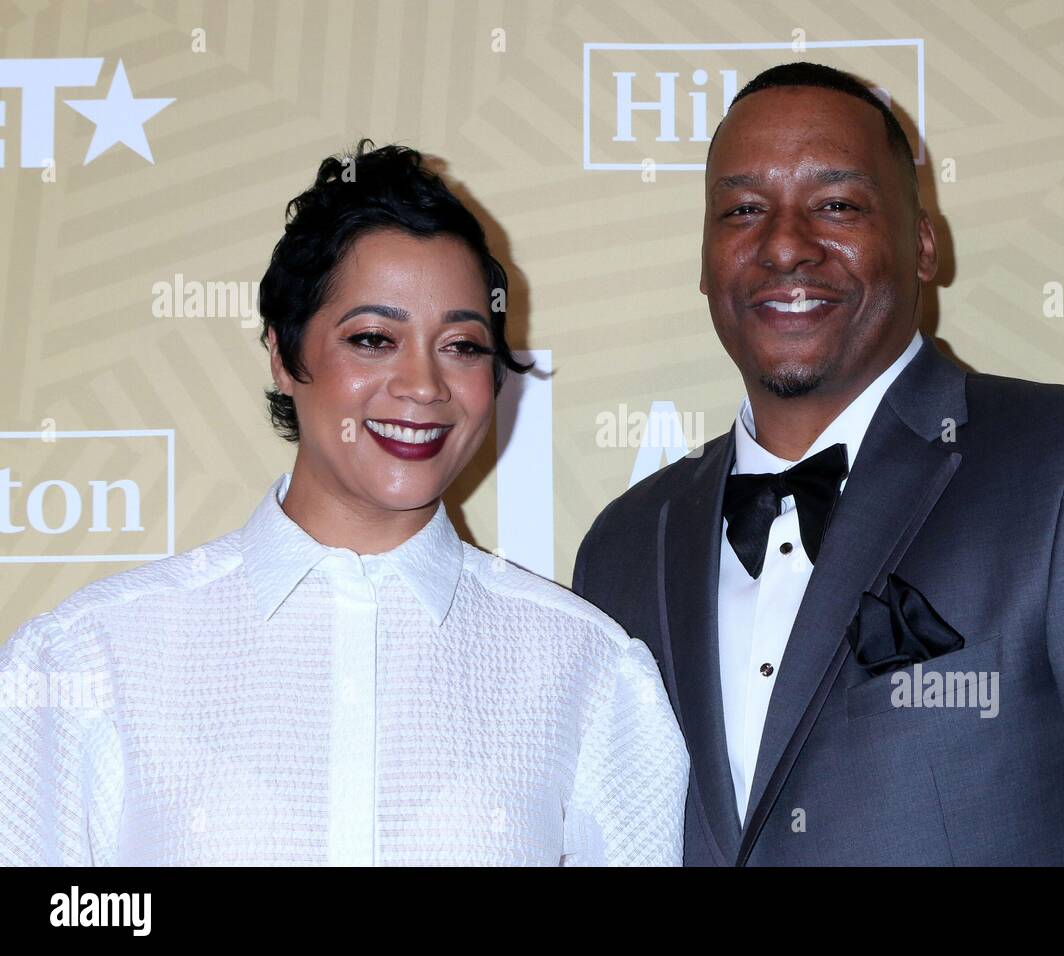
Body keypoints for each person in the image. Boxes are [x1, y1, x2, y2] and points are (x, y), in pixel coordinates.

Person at [572, 63, 1064, 865]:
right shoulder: (624, 545)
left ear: (923, 245)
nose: (783, 244)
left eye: (837, 205)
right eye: (743, 210)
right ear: (706, 262)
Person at [0, 140, 687, 866]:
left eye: (462, 346)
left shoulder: (588, 669)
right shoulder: (89, 659)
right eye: (372, 338)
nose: (423, 385)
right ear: (283, 351)